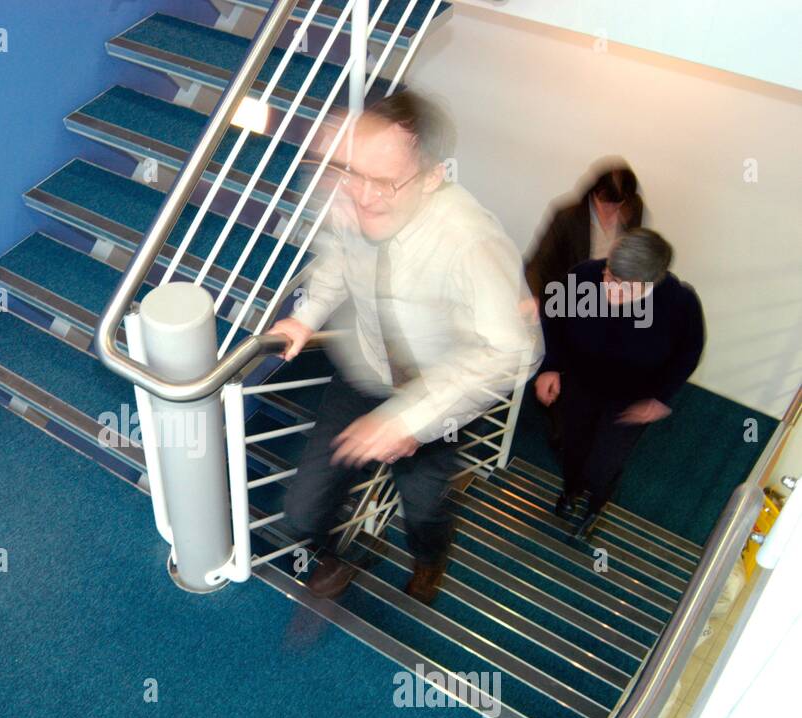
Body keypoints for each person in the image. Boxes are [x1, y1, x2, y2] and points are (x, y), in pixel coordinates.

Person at [269, 91, 541, 605]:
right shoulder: (353, 195)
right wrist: (305, 317)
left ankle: (430, 559)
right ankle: (331, 559)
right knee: (303, 510)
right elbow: (335, 260)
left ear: (433, 176)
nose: (363, 196)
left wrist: (411, 420)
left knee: (424, 508)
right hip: (366, 370)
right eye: (353, 172)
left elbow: (514, 349)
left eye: (385, 182)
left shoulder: (470, 241)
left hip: (437, 393)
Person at [533, 228, 705, 538]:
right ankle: (571, 490)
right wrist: (551, 367)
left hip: (633, 397)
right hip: (581, 382)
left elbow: (688, 353)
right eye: (609, 276)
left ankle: (596, 505)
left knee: (604, 463)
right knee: (572, 448)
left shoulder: (679, 303)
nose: (610, 289)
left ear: (652, 283)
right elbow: (554, 321)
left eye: (624, 287)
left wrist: (661, 397)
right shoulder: (585, 276)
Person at [524, 163, 644, 454]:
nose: (611, 213)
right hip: (569, 293)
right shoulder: (568, 216)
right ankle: (558, 415)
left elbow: (636, 253)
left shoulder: (633, 209)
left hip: (611, 297)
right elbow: (540, 260)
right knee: (563, 355)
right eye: (606, 204)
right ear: (595, 192)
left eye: (619, 206)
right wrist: (536, 295)